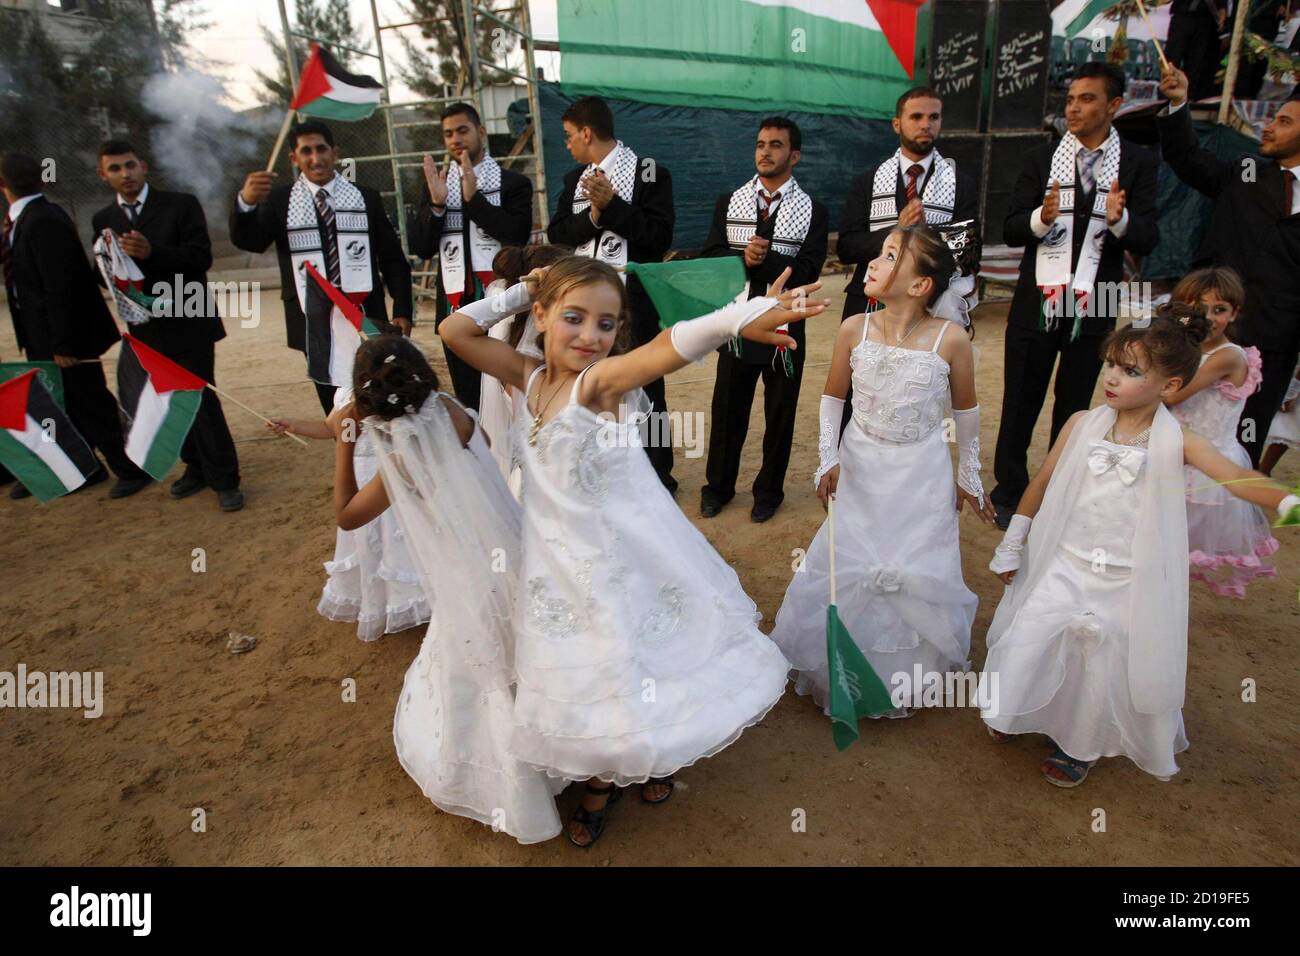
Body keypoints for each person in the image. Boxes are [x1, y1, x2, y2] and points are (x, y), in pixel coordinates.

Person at [440, 256, 823, 847]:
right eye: (573, 318)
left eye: (606, 324)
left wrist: (734, 318)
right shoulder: (529, 376)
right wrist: (523, 289)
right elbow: (454, 331)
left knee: (626, 662)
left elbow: (666, 347)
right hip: (553, 566)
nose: (590, 336)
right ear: (540, 317)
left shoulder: (597, 384)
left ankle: (608, 780)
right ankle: (629, 762)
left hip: (613, 561)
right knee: (589, 672)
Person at [983, 312, 1296, 787]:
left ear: (1169, 384)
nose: (1112, 377)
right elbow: (1042, 483)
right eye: (1111, 364)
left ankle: (1078, 745)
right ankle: (1016, 709)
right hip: (1066, 561)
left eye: (1131, 371)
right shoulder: (1080, 424)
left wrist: (1290, 502)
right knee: (1034, 635)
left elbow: (1237, 479)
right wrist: (1013, 543)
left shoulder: (1181, 442)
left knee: (1099, 664)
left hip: (1126, 577)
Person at [330, 334, 563, 844]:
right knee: (526, 649)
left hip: (466, 577)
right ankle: (561, 748)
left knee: (484, 668)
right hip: (513, 549)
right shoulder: (452, 410)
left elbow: (348, 516)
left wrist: (345, 444)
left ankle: (517, 783)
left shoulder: (400, 449)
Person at [770, 225, 992, 718]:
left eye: (890, 256)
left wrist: (968, 473)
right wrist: (828, 457)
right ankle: (839, 666)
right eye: (879, 252)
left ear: (919, 285)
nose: (873, 262)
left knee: (910, 562)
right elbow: (833, 398)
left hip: (922, 474)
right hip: (862, 466)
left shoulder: (950, 340)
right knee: (850, 557)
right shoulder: (855, 328)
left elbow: (967, 414)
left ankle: (904, 678)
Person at [991, 62, 1160, 529]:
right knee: (1020, 396)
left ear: (1114, 105)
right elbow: (1008, 229)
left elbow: (1148, 237)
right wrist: (1041, 218)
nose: (1074, 107)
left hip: (1097, 297)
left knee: (1076, 402)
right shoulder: (1040, 158)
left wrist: (1119, 220)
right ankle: (1009, 488)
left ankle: (1059, 486)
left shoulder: (1139, 163)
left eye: (1087, 99)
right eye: (1070, 99)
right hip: (1037, 297)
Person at [1157, 65, 1300, 465]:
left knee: (1246, 439)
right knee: (1184, 429)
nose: (1269, 127)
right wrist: (1178, 103)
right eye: (1272, 118)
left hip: (1276, 345)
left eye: (1284, 121)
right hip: (1208, 336)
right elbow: (1188, 159)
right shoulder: (1246, 171)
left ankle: (1231, 516)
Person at [92, 141, 243, 512]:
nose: (125, 174)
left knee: (200, 399)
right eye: (115, 169)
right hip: (146, 329)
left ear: (143, 167)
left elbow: (200, 258)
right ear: (104, 175)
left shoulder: (180, 204)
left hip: (189, 321)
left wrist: (152, 252)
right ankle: (195, 467)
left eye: (130, 165)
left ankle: (225, 479)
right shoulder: (102, 220)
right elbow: (104, 272)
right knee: (170, 400)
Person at [230, 120, 412, 414]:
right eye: (306, 151)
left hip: (364, 311)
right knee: (335, 402)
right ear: (294, 158)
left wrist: (403, 308)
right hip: (312, 316)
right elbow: (251, 241)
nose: (316, 158)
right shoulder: (280, 201)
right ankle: (348, 455)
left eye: (321, 149)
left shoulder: (364, 197)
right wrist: (247, 204)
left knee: (380, 393)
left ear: (335, 152)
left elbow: (391, 257)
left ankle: (382, 457)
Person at [698, 117, 829, 522]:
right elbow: (711, 257)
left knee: (780, 413)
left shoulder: (814, 209)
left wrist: (764, 260)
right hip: (737, 323)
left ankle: (768, 491)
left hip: (786, 324)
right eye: (760, 144)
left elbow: (810, 270)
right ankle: (718, 487)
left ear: (794, 155)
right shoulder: (729, 200)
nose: (764, 152)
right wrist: (742, 260)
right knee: (727, 410)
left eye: (775, 145)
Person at [545, 96, 678, 493]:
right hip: (583, 304)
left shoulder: (650, 173)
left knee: (645, 383)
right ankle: (600, 465)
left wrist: (614, 205)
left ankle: (658, 475)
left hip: (633, 302)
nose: (567, 143)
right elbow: (558, 234)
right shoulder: (574, 180)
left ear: (587, 132)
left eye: (569, 135)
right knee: (588, 382)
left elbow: (658, 238)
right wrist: (593, 216)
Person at [1, 151, 151, 501]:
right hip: (43, 334)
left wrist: (65, 344)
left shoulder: (44, 221)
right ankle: (83, 466)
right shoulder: (22, 220)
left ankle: (129, 467)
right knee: (60, 403)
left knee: (90, 401)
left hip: (66, 337)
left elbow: (62, 287)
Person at [267, 384, 430, 642]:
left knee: (403, 543)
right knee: (369, 546)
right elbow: (328, 427)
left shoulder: (402, 395)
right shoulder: (345, 396)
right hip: (359, 484)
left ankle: (415, 600)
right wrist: (294, 425)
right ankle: (380, 604)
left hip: (390, 487)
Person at [408, 102, 534, 411]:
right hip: (455, 301)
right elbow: (422, 248)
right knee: (469, 397)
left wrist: (473, 200)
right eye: (448, 134)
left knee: (506, 393)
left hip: (501, 298)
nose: (455, 139)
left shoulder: (513, 183)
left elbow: (516, 235)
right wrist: (437, 206)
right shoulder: (436, 185)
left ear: (480, 131)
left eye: (462, 130)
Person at [1163, 274, 1278, 596]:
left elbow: (1173, 396)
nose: (1209, 318)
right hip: (1174, 454)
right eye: (1199, 309)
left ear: (1235, 312)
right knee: (1156, 546)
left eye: (1220, 309)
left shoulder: (1228, 356)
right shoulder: (1187, 346)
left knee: (1171, 550)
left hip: (1205, 467)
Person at [836, 87, 981, 322]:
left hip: (933, 304)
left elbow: (971, 253)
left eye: (933, 117)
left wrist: (928, 236)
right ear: (896, 124)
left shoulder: (959, 183)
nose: (926, 124)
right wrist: (897, 230)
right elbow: (846, 248)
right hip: (870, 303)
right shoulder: (868, 181)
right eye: (916, 117)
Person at [1166, 0, 1230, 103]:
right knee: (1172, 59)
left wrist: (1222, 7)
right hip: (1182, 14)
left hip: (1205, 18)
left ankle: (1190, 97)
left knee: (1197, 62)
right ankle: (1167, 95)